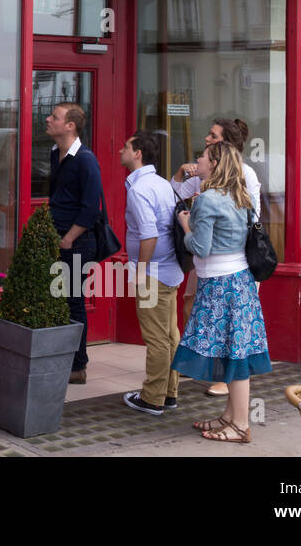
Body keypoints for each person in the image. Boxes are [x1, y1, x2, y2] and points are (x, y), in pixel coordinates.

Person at [171, 141, 271, 443]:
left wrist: (184, 224)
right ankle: (230, 416)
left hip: (219, 284)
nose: (198, 159)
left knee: (235, 355)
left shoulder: (209, 199)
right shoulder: (239, 196)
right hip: (239, 282)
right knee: (235, 350)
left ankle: (240, 425)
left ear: (213, 164)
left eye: (203, 156)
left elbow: (200, 247)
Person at [118, 130, 182, 415]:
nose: (121, 150)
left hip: (154, 272)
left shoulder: (140, 189)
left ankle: (152, 398)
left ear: (138, 154)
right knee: (169, 335)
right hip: (170, 269)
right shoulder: (161, 184)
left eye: (126, 147)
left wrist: (140, 272)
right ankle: (168, 392)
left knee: (157, 338)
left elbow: (149, 234)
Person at [45, 102, 102, 384]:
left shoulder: (86, 160)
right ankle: (62, 358)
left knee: (73, 301)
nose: (48, 119)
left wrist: (68, 238)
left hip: (76, 243)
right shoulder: (56, 154)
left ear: (70, 126)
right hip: (57, 239)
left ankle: (78, 366)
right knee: (57, 299)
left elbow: (91, 207)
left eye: (54, 117)